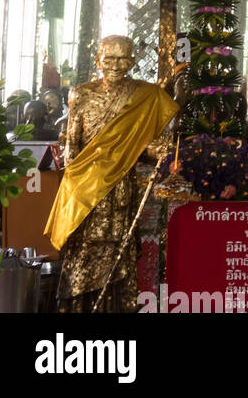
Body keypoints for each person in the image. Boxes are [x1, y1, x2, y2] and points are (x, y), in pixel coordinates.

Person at [45, 36, 178, 313]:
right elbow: (72, 146)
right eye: (109, 59)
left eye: (123, 59)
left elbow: (140, 149)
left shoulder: (144, 95)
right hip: (85, 189)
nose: (116, 65)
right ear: (98, 61)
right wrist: (77, 181)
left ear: (132, 61)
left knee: (120, 251)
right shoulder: (80, 94)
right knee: (83, 251)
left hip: (120, 186)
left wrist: (159, 152)